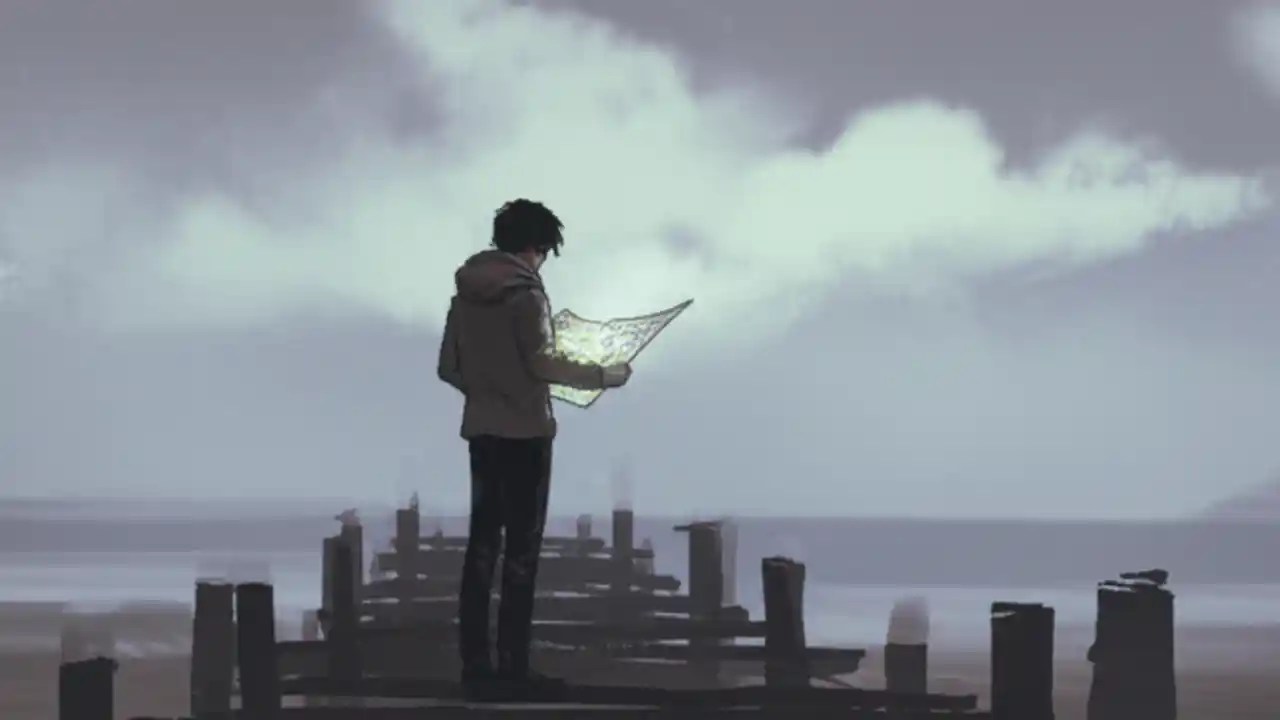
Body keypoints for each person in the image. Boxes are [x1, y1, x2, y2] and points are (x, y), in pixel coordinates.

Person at [437, 199, 632, 700]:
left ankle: (474, 667)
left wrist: (486, 390)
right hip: (525, 435)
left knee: (482, 550)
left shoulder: (464, 294)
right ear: (535, 247)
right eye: (545, 251)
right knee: (521, 555)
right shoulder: (527, 296)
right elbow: (544, 364)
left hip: (481, 431)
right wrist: (602, 376)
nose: (543, 260)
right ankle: (513, 669)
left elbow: (447, 367)